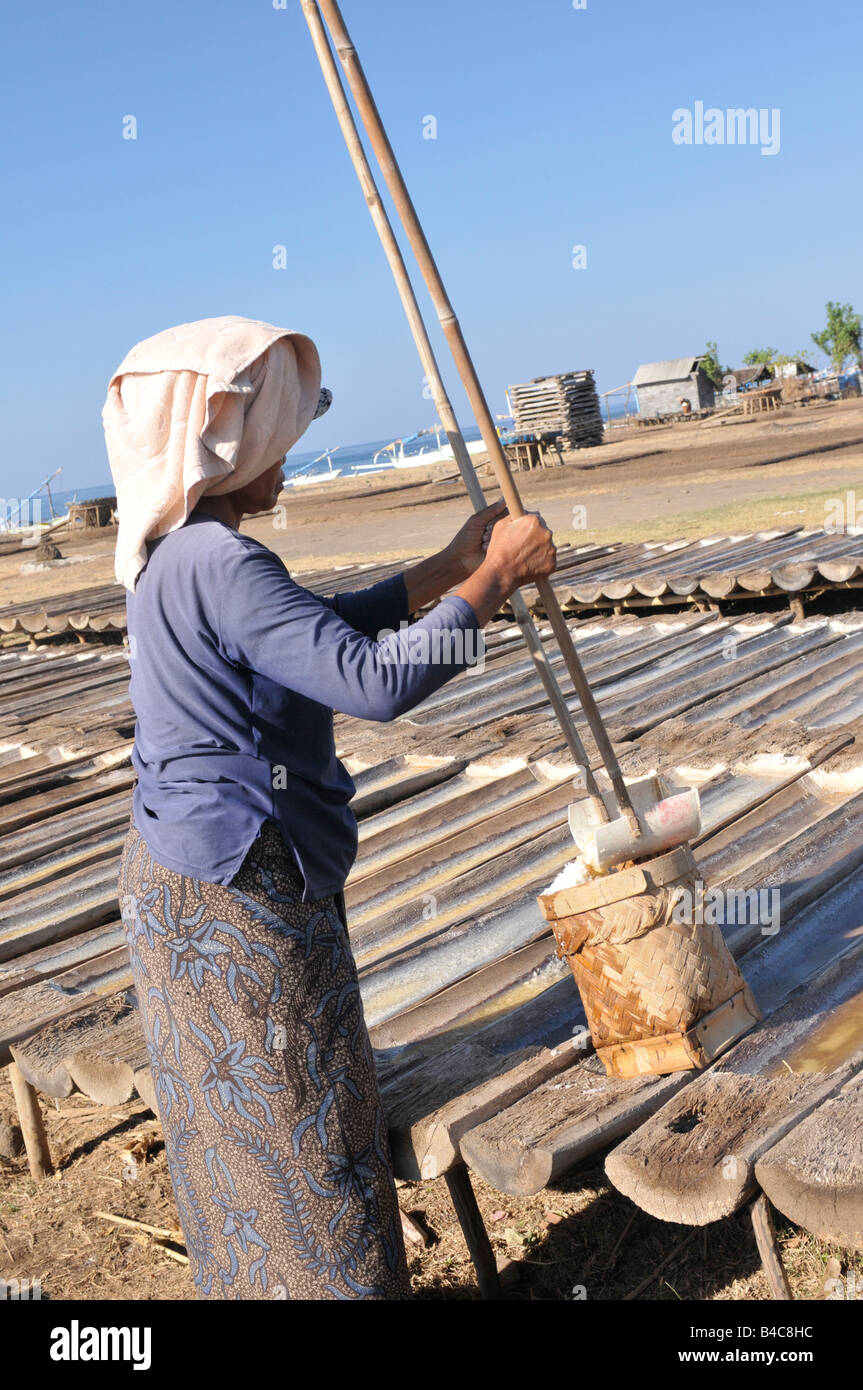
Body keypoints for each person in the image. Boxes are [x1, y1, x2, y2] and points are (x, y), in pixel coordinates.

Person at [103, 315, 556, 1300]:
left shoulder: (173, 553)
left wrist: (446, 567)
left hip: (185, 881)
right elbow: (375, 682)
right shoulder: (222, 561)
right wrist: (494, 580)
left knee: (239, 1139)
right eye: (275, 434)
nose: (289, 456)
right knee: (299, 1130)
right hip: (240, 893)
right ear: (229, 445)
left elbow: (307, 636)